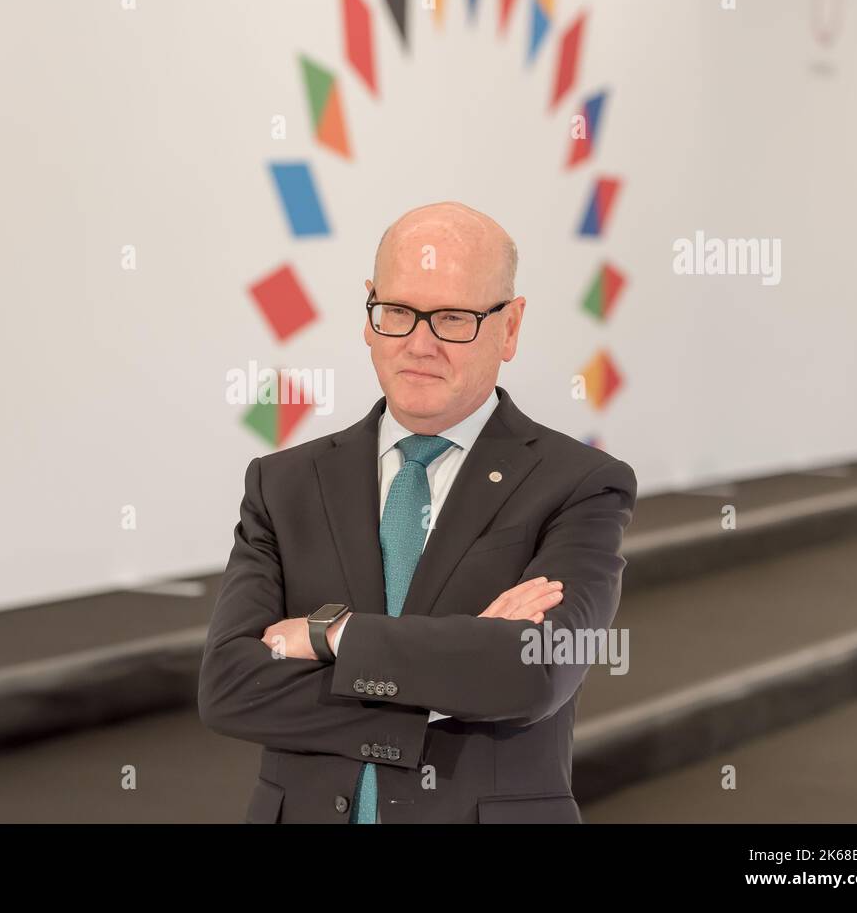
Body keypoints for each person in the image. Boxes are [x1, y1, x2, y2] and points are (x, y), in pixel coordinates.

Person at [198, 201, 637, 823]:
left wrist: (331, 637)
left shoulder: (581, 485)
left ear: (509, 327)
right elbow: (229, 688)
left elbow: (535, 672)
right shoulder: (283, 483)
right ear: (369, 313)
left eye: (454, 318)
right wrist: (457, 669)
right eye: (398, 312)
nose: (420, 344)